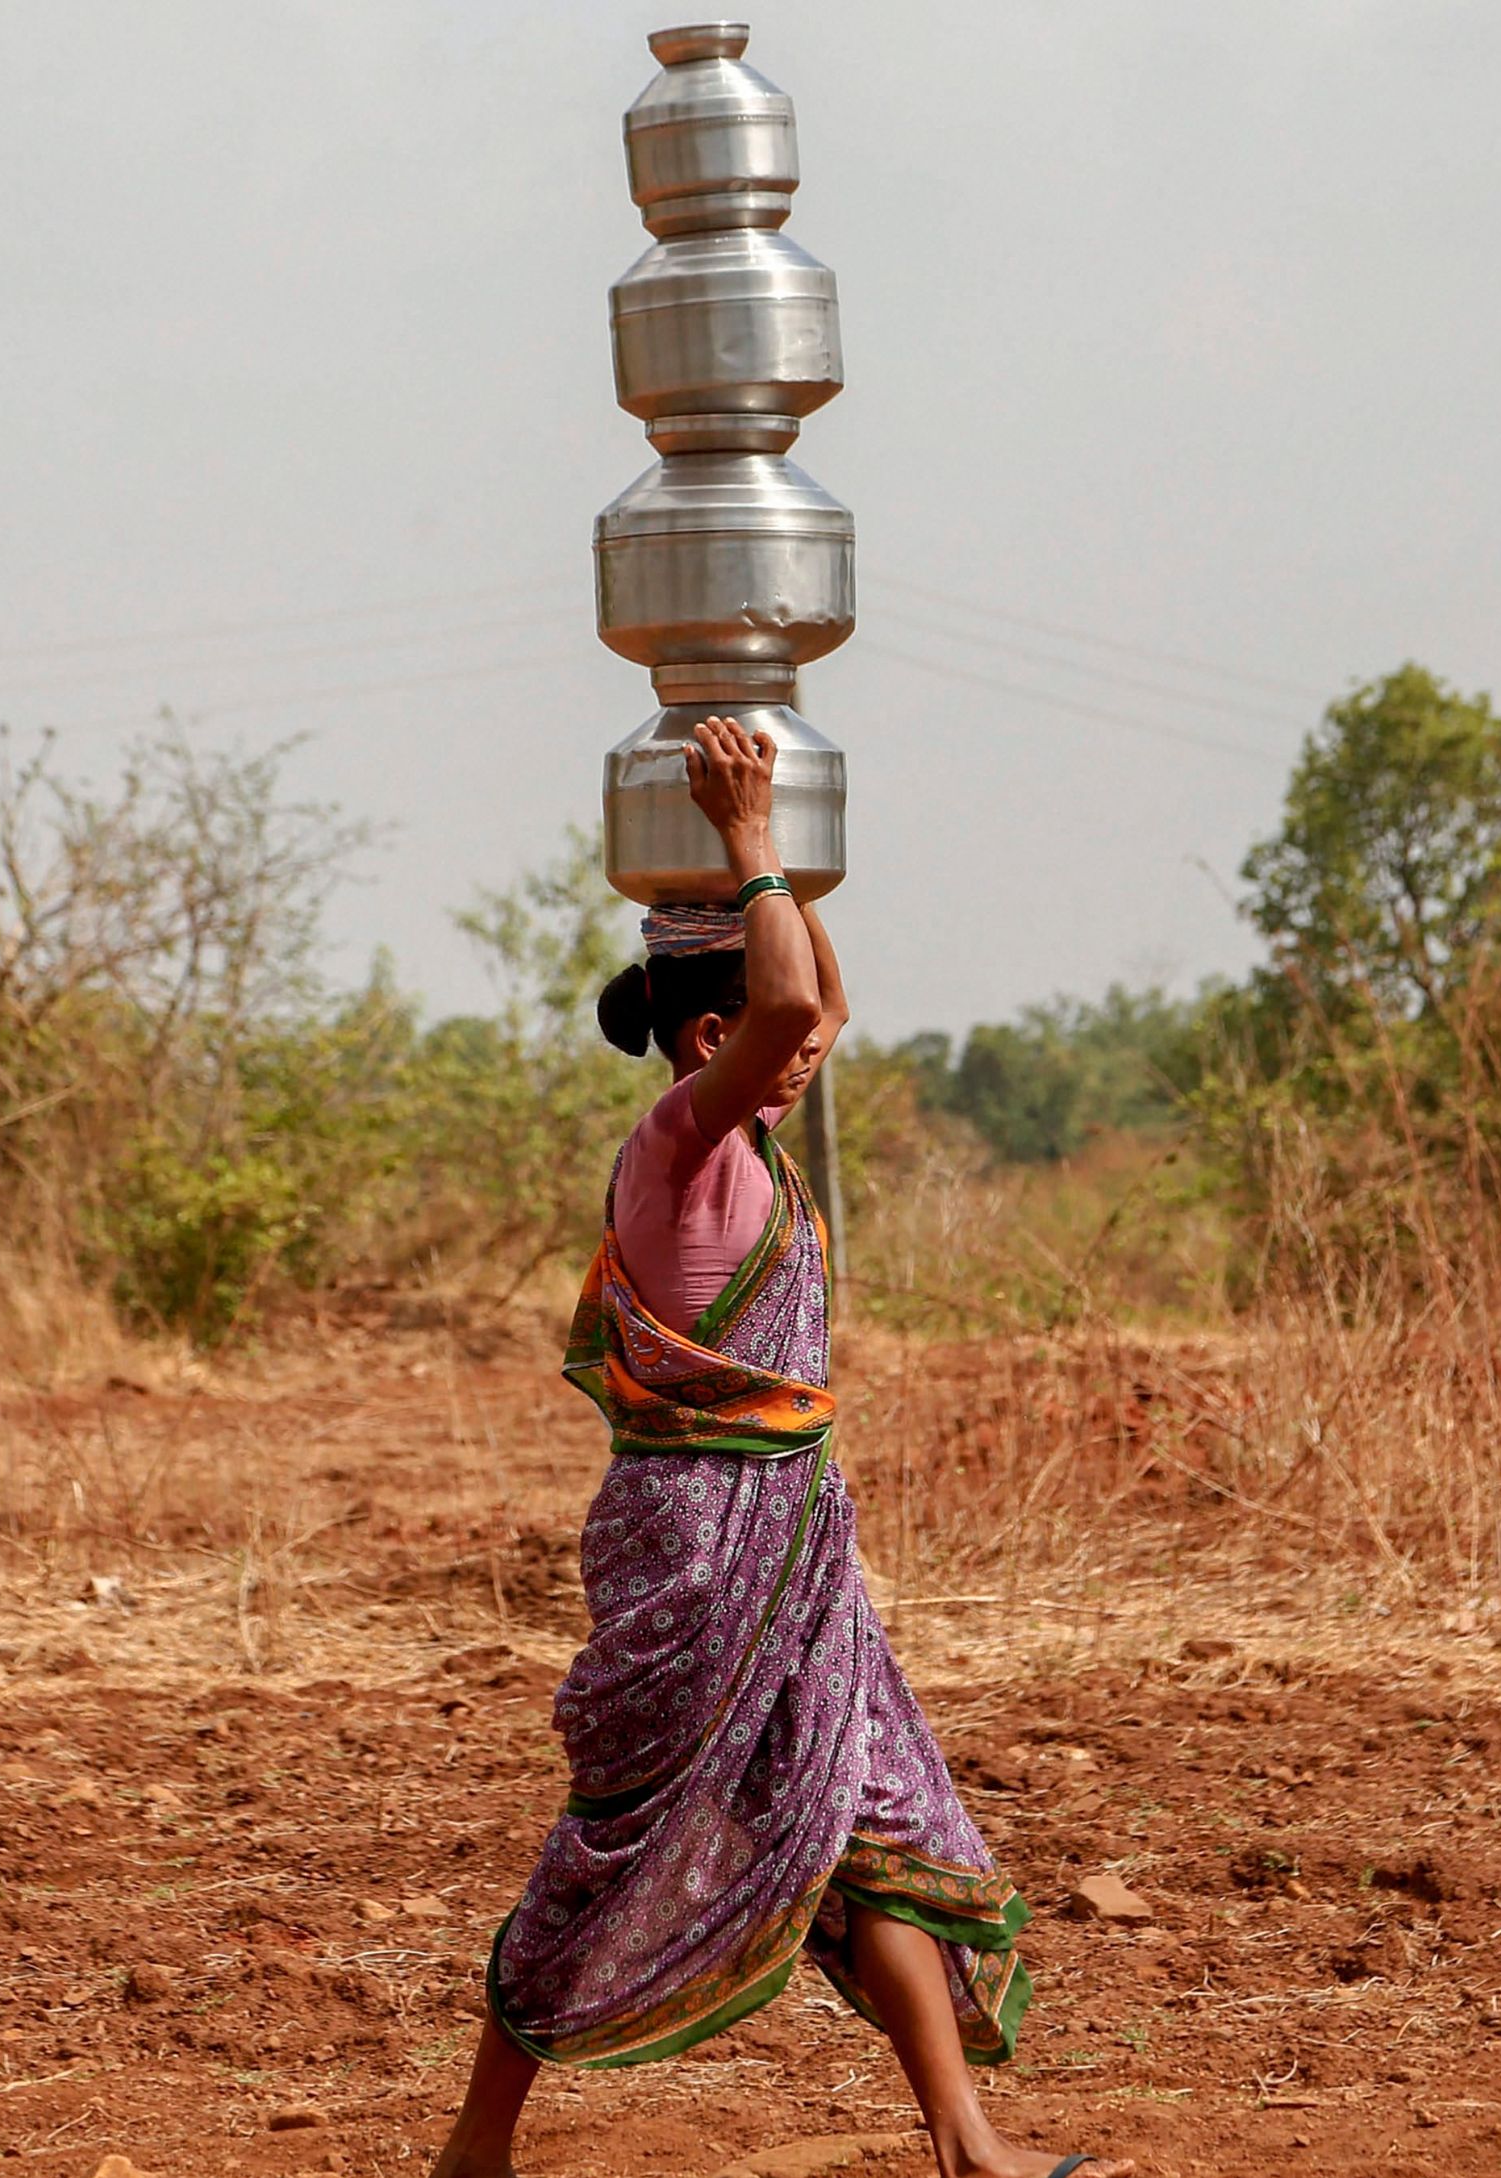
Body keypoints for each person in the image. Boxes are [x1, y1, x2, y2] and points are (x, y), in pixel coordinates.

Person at [430, 717, 1129, 2178]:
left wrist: (786, 837)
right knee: (619, 1837)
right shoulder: (681, 1145)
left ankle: (967, 2146)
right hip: (695, 1546)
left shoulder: (750, 1152)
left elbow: (823, 993)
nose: (814, 1048)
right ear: (710, 1038)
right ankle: (476, 2150)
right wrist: (747, 843)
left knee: (868, 1810)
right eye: (779, 1036)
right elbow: (792, 1004)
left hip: (793, 1543)